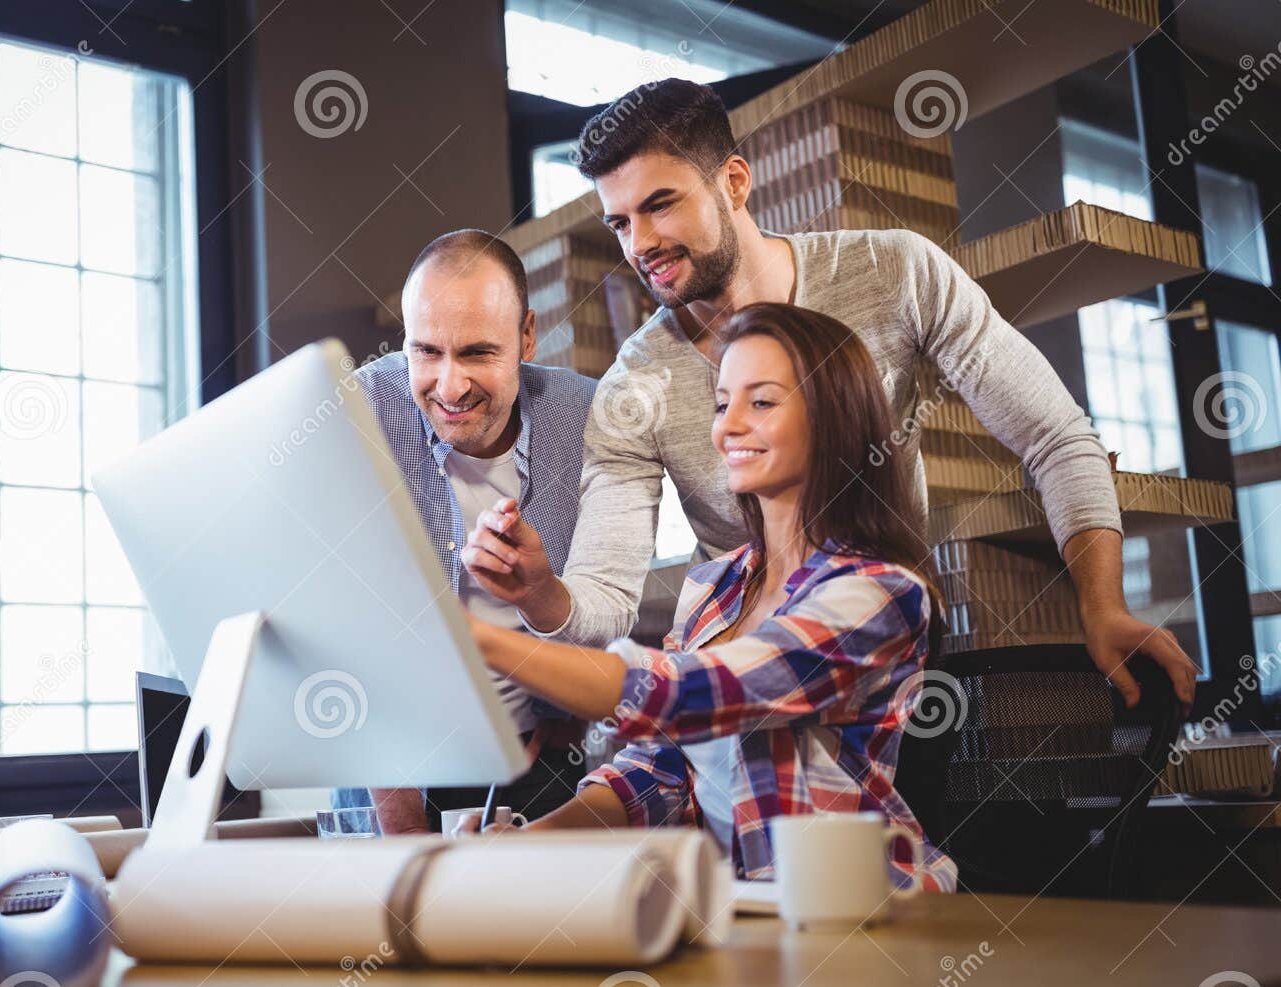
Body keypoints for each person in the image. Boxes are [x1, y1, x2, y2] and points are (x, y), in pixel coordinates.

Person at [463, 78, 1197, 710]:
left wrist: (1103, 607)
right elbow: (605, 596)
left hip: (878, 650)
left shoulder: (896, 272)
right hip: (738, 665)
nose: (639, 243)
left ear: (735, 183)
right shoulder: (634, 384)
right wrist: (539, 597)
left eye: (661, 204)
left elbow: (1056, 436)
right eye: (619, 221)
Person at [464, 301, 956, 891]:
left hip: (863, 918)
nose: (728, 426)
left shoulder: (879, 594)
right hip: (746, 917)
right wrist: (524, 845)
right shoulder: (712, 588)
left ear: (835, 420)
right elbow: (657, 771)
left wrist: (477, 640)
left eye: (762, 401)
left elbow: (688, 694)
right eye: (723, 404)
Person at [331, 229, 598, 834]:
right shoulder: (361, 410)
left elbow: (600, 601)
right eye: (426, 352)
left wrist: (562, 737)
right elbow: (349, 629)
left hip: (537, 757)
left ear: (527, 335)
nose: (450, 387)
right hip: (387, 766)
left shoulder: (585, 417)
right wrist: (403, 831)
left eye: (478, 353)